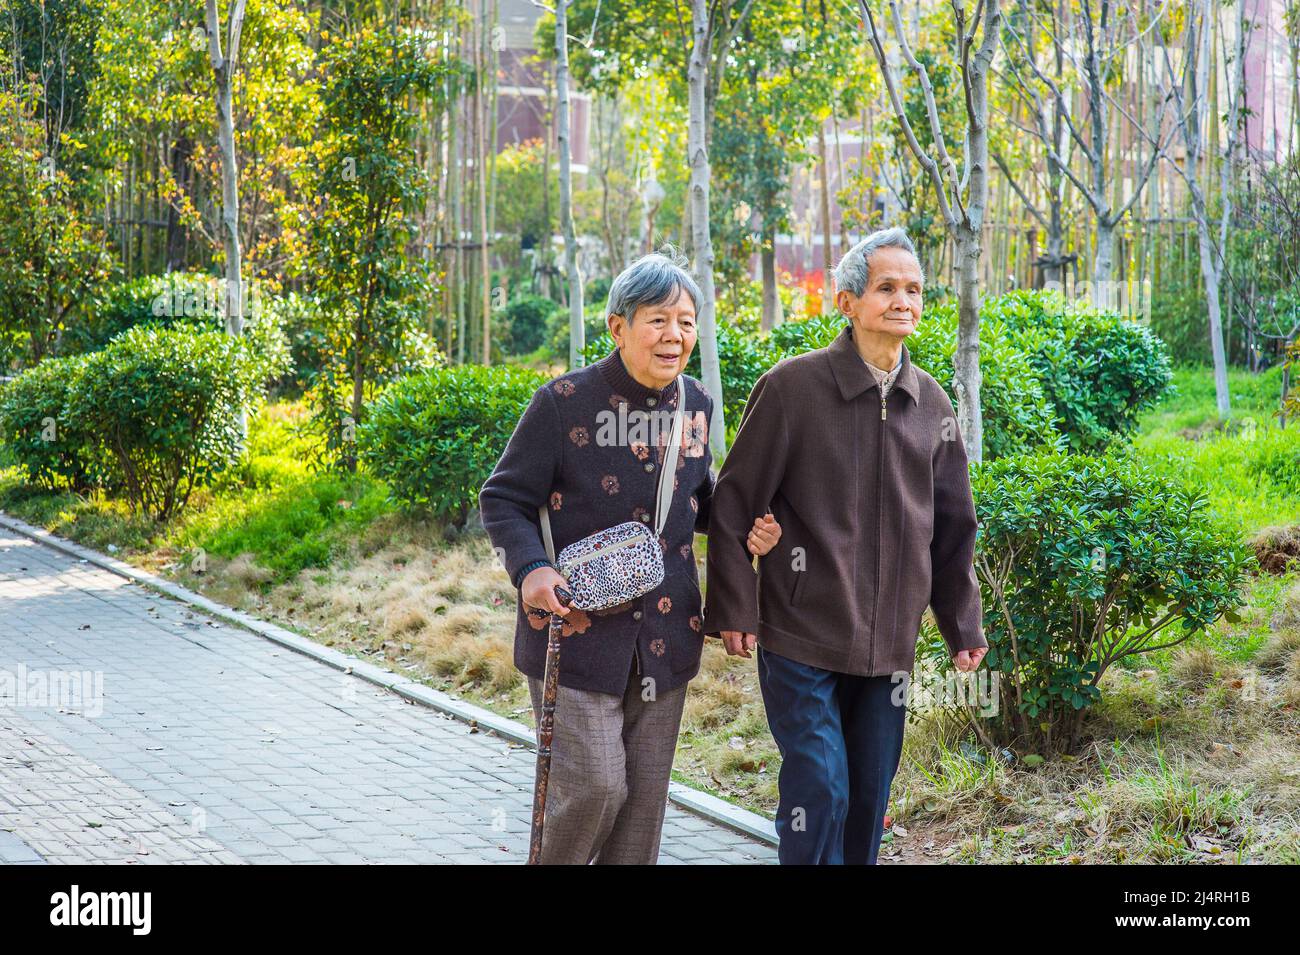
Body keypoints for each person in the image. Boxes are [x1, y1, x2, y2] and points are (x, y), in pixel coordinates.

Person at [480, 249, 781, 864]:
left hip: (667, 637)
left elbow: (699, 501)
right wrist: (532, 569)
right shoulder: (564, 402)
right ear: (617, 327)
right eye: (658, 320)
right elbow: (504, 497)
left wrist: (750, 531)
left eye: (687, 322)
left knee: (642, 809)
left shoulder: (695, 404)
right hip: (577, 631)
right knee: (593, 788)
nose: (675, 336)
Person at [703, 227, 988, 865]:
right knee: (821, 787)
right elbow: (735, 500)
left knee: (868, 799)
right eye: (886, 287)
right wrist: (735, 606)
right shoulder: (792, 389)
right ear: (847, 303)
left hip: (889, 643)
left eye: (913, 289)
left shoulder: (930, 404)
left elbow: (953, 525)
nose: (903, 300)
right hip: (802, 633)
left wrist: (962, 623)